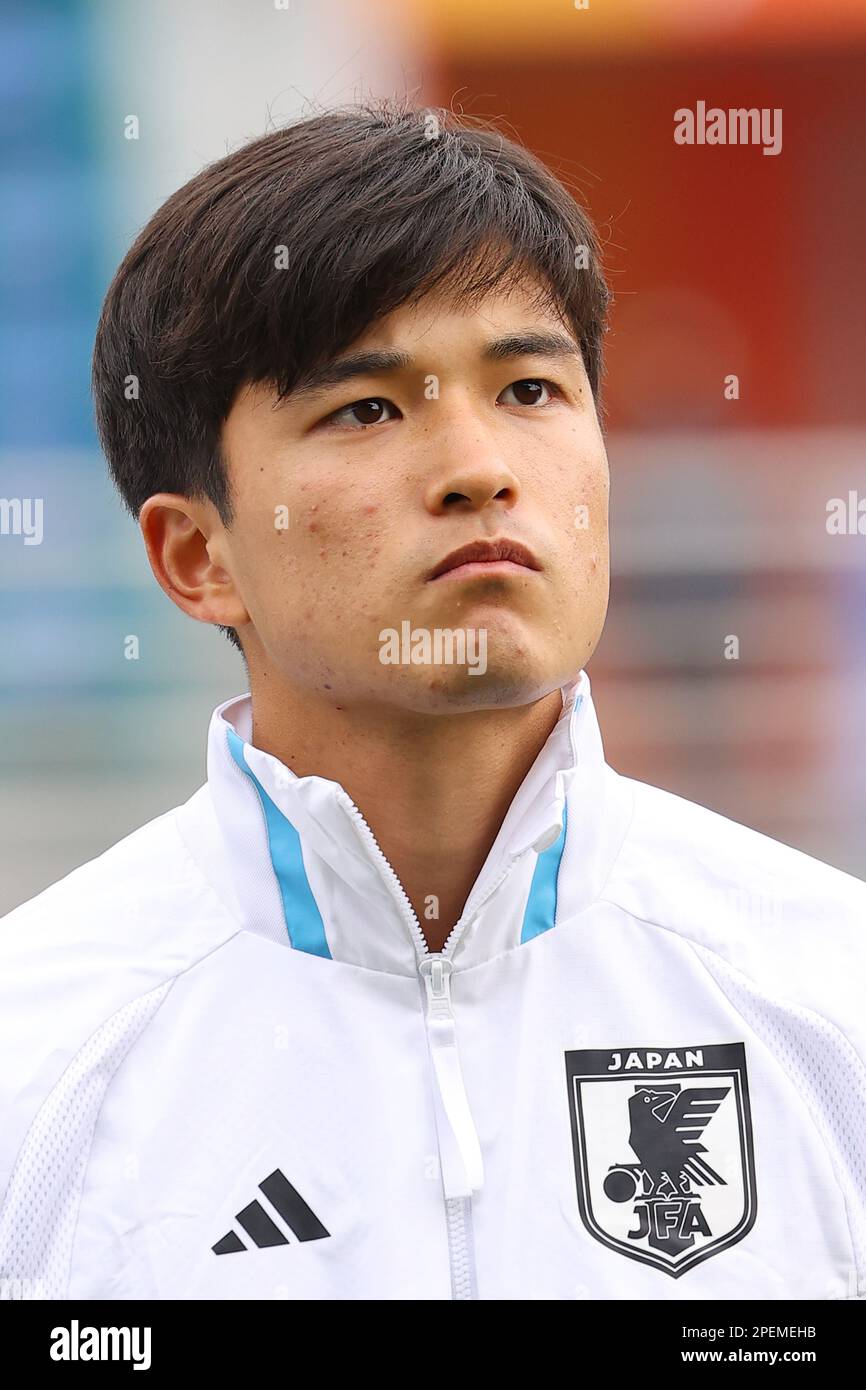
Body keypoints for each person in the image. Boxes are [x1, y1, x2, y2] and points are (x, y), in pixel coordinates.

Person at [1, 101, 864, 1302]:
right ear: (199, 558)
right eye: (366, 409)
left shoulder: (828, 993)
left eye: (527, 390)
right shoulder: (35, 1055)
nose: (478, 469)